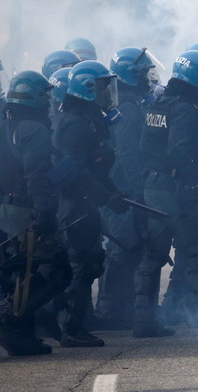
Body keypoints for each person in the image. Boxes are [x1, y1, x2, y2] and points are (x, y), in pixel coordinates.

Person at [137, 50, 198, 338]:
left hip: (153, 185)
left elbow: (146, 146)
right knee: (197, 249)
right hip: (172, 188)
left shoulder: (159, 103)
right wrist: (194, 181)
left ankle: (144, 320)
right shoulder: (184, 107)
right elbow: (179, 151)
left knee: (153, 253)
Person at [54, 60, 129, 346]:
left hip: (86, 202)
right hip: (75, 205)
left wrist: (113, 192)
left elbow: (95, 168)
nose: (107, 92)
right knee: (81, 264)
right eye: (102, 87)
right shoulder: (76, 122)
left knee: (91, 262)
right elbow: (76, 170)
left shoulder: (88, 119)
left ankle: (73, 324)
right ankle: (71, 328)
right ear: (87, 89)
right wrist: (105, 196)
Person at [0, 71, 72, 356]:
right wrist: (44, 212)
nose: (49, 101)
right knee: (56, 270)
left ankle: (22, 338)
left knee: (18, 273)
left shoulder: (6, 123)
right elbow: (37, 175)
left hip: (6, 206)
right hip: (24, 208)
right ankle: (7, 317)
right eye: (45, 95)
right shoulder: (34, 129)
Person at [96, 47, 159, 331]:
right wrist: (137, 193)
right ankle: (114, 312)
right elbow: (129, 155)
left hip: (120, 188)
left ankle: (114, 312)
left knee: (123, 250)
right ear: (131, 75)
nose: (149, 77)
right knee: (126, 250)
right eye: (145, 72)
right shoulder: (130, 111)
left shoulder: (122, 104)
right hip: (126, 190)